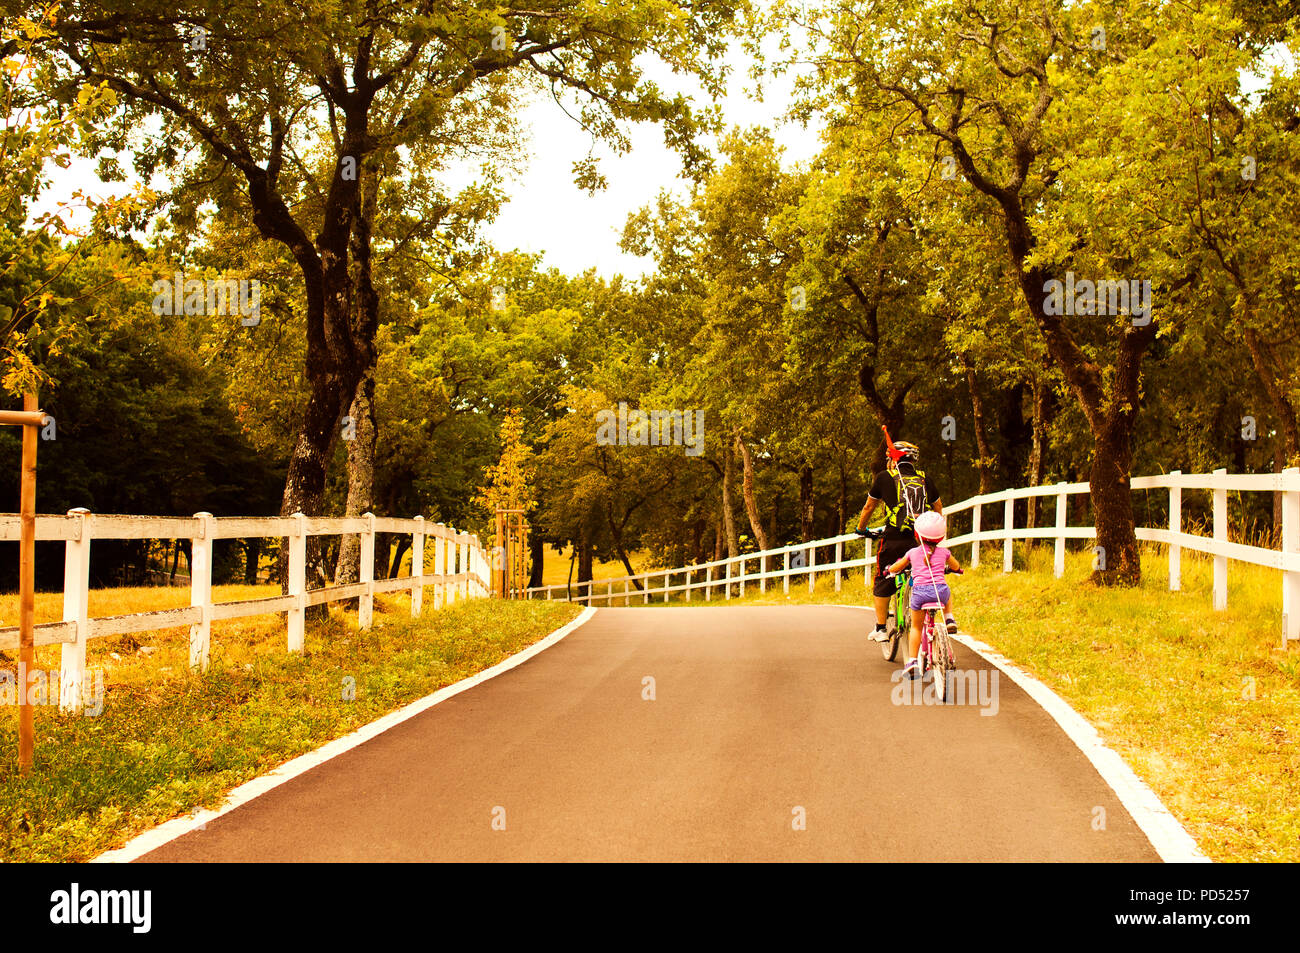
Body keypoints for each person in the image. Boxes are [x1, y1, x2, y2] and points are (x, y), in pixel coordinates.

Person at [853, 440, 944, 642]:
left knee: (883, 578)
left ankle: (881, 628)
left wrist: (861, 529)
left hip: (893, 539)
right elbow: (938, 508)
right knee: (923, 576)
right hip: (919, 541)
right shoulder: (924, 478)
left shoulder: (884, 477)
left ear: (894, 459)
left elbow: (869, 507)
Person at [885, 511, 961, 679]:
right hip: (939, 592)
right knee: (947, 592)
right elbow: (956, 566)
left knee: (917, 627)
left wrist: (889, 570)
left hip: (919, 595)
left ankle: (912, 661)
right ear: (941, 536)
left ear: (917, 534)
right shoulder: (945, 553)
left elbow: (898, 567)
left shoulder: (912, 552)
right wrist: (957, 569)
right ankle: (949, 618)